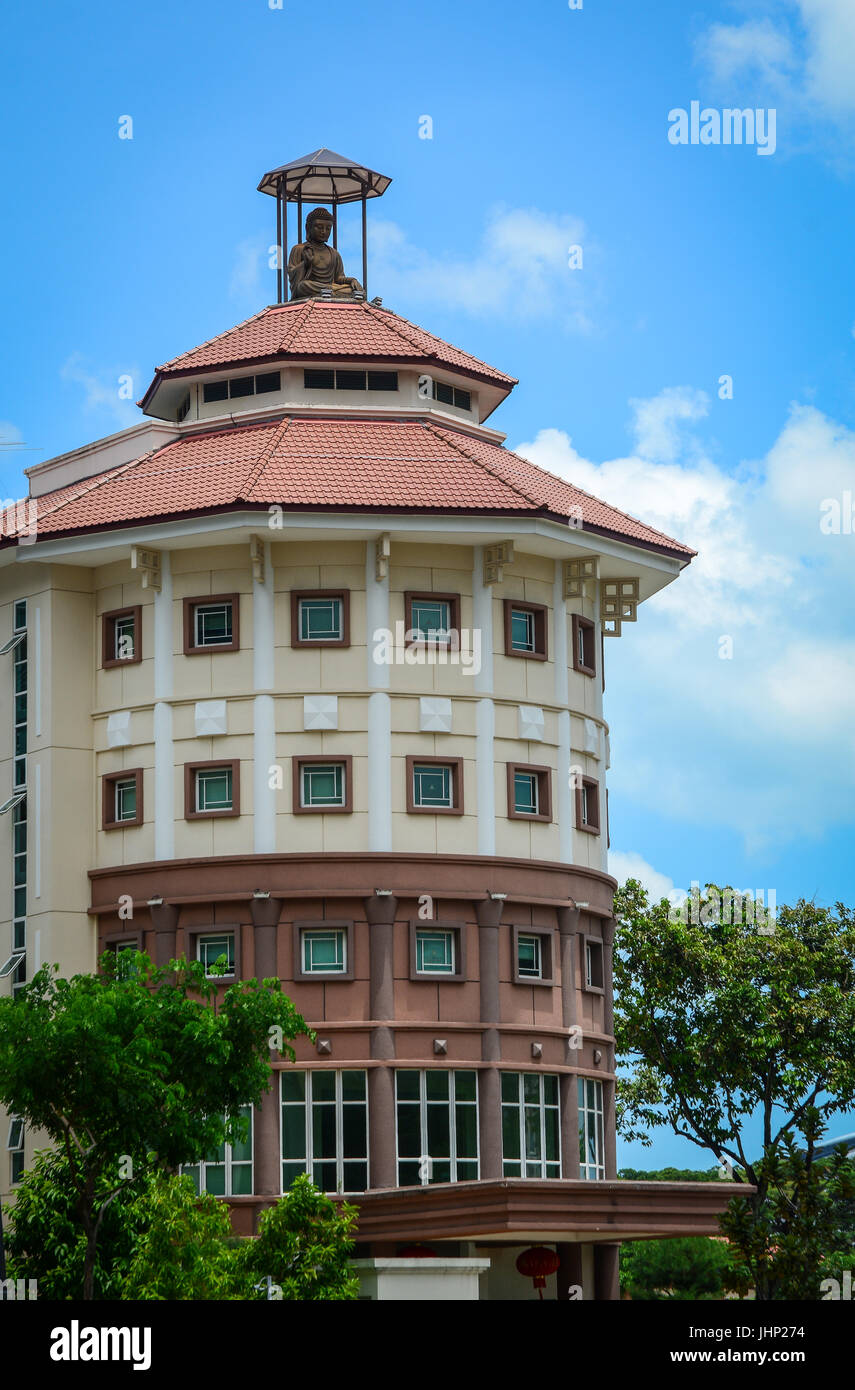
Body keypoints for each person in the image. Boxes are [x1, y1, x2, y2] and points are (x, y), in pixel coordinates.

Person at [287, 207, 363, 300]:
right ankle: (333, 291)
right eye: (319, 227)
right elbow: (292, 275)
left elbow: (339, 278)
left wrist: (352, 280)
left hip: (331, 287)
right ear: (308, 227)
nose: (323, 231)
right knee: (303, 286)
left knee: (352, 289)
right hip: (311, 287)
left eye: (328, 228)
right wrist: (305, 264)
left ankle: (332, 291)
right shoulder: (299, 249)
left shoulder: (334, 253)